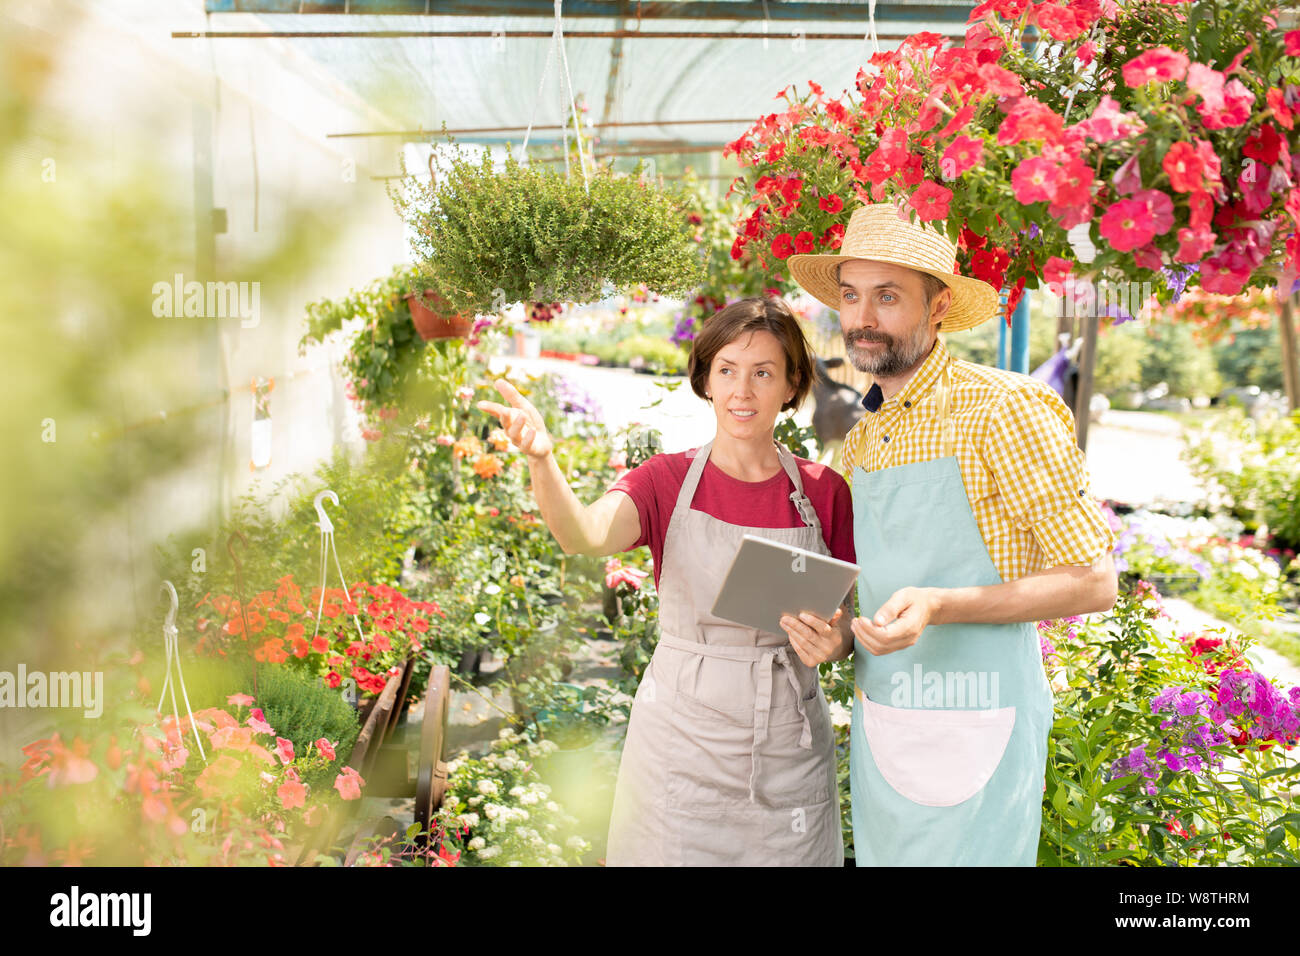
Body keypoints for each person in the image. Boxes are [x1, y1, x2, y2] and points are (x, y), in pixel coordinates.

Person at [786, 203, 1118, 866]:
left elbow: (1094, 582)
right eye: (851, 297)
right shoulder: (864, 434)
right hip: (886, 722)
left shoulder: (1003, 407)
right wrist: (842, 633)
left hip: (981, 720)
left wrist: (942, 605)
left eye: (888, 297)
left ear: (938, 306)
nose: (863, 319)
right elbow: (879, 587)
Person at [477, 297, 855, 866]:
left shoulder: (825, 490)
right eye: (726, 370)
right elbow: (583, 534)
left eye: (762, 374)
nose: (742, 392)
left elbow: (845, 618)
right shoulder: (665, 481)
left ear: (791, 383)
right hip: (682, 736)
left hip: (787, 738)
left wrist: (836, 640)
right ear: (705, 379)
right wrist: (542, 461)